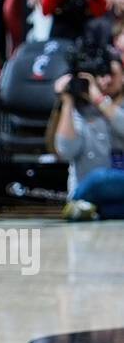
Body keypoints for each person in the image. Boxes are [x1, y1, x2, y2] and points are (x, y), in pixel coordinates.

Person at [53, 54, 124, 220]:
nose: (106, 80)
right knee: (99, 178)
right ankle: (81, 205)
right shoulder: (79, 111)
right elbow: (65, 151)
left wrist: (100, 100)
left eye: (112, 74)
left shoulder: (116, 107)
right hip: (89, 188)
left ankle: (86, 210)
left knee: (109, 203)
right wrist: (67, 101)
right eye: (100, 75)